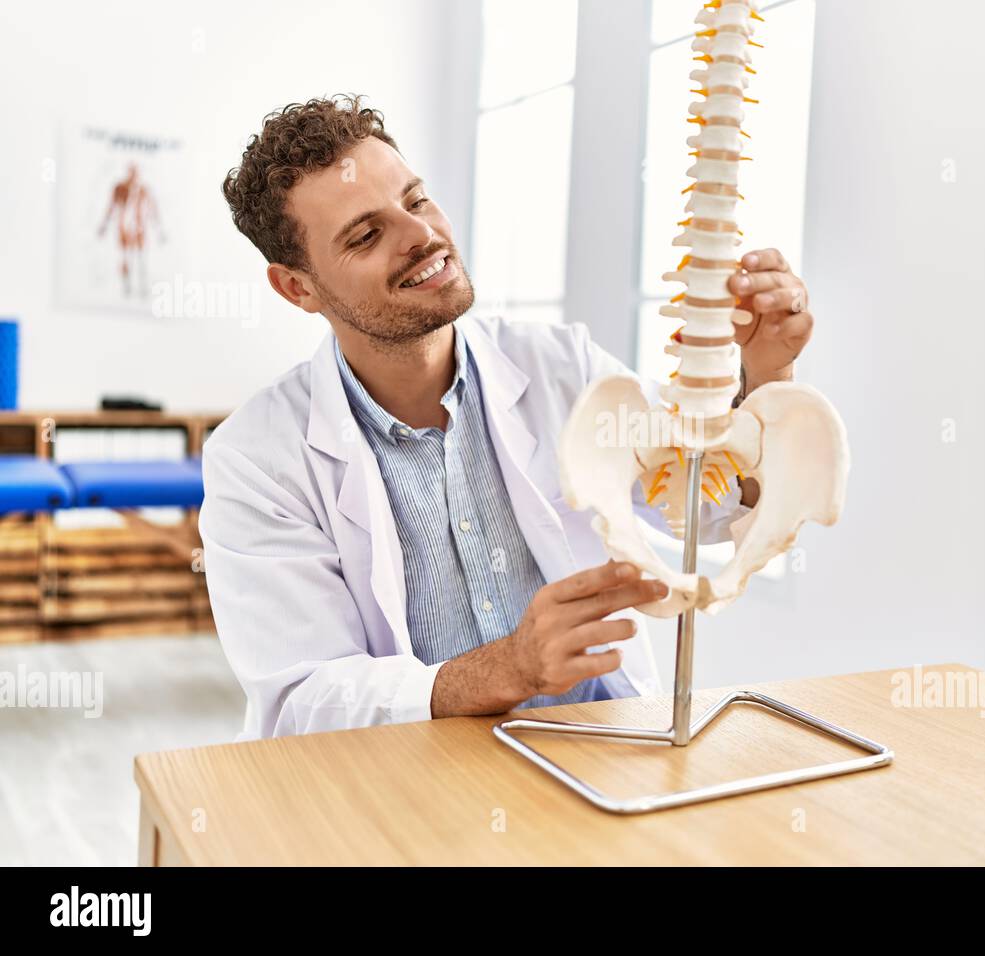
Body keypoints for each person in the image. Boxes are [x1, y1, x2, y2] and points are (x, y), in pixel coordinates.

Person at [205, 95, 815, 739]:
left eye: (415, 201)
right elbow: (303, 701)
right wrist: (509, 669)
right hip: (412, 785)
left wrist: (766, 376)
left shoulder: (563, 367)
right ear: (297, 287)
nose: (422, 237)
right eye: (365, 235)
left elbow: (704, 507)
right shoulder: (256, 458)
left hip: (600, 756)